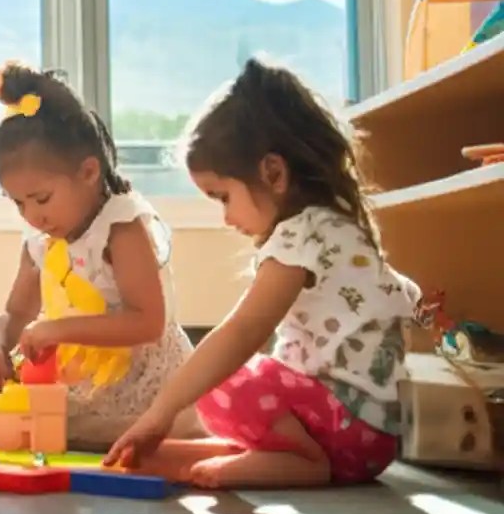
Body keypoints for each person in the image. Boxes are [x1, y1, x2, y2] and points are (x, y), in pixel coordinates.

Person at [105, 58, 421, 488]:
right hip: (372, 438)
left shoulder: (301, 234)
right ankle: (279, 453)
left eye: (223, 197)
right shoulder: (337, 223)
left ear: (273, 173)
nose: (226, 217)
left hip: (345, 429)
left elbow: (244, 331)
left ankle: (304, 461)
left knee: (223, 378)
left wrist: (160, 412)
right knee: (225, 382)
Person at [0, 60, 199, 449]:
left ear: (89, 172)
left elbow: (148, 322)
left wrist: (58, 330)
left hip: (134, 377)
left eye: (42, 199)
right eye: (18, 203)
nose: (32, 215)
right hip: (70, 368)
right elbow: (16, 313)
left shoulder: (120, 226)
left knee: (60, 429)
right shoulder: (40, 239)